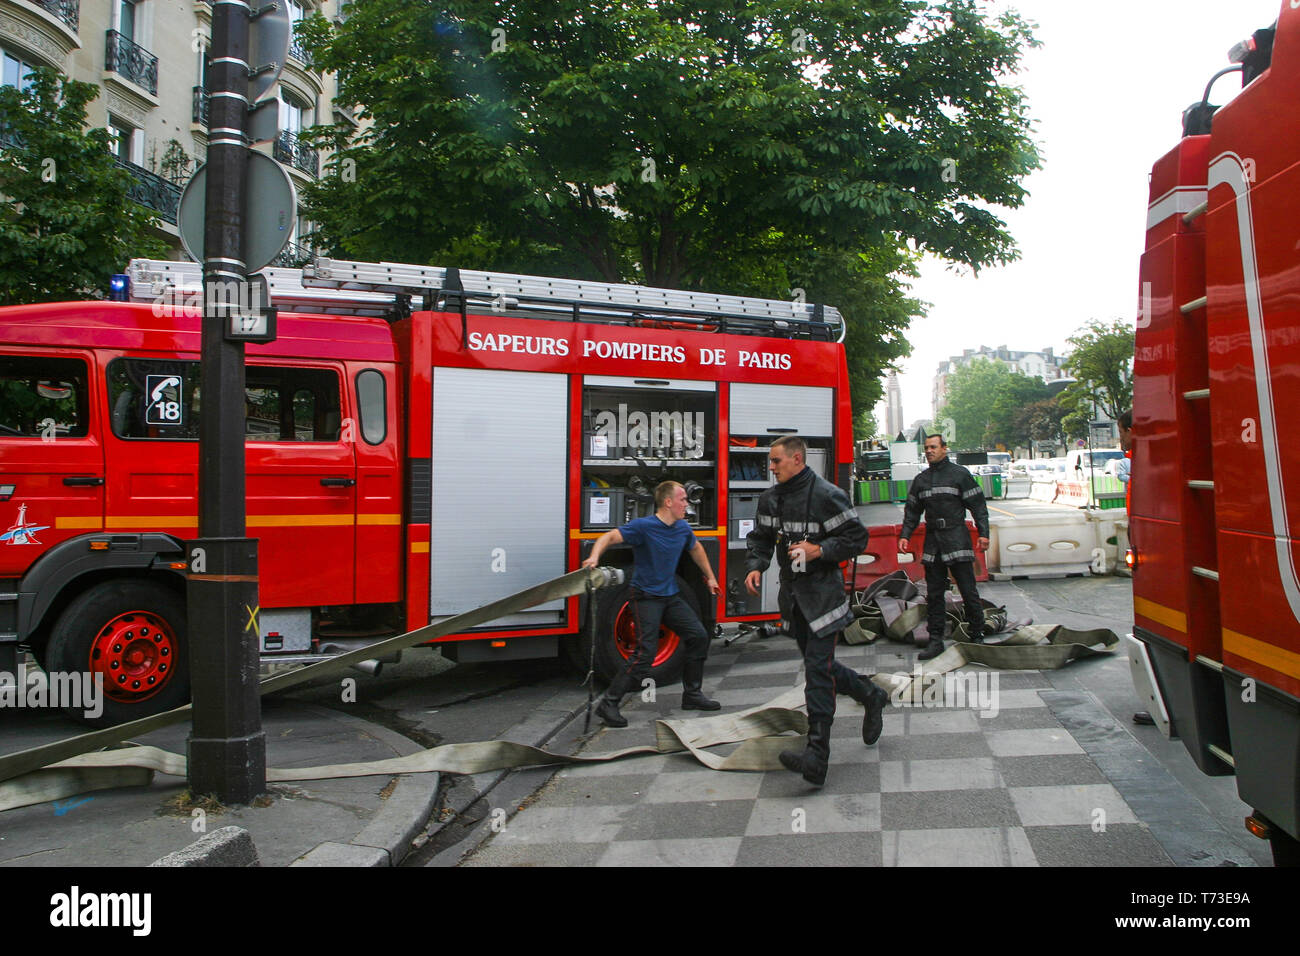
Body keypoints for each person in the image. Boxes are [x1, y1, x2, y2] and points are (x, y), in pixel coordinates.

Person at [744, 436, 888, 787]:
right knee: (821, 666)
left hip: (824, 599)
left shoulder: (827, 495)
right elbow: (761, 537)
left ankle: (817, 757)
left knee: (817, 674)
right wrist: (756, 565)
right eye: (770, 461)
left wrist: (819, 551)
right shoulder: (771, 498)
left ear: (797, 459)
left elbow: (857, 539)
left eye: (776, 461)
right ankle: (871, 695)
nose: (771, 467)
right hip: (794, 601)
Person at [583, 480, 721, 727]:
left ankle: (692, 695)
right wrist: (594, 556)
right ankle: (609, 703)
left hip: (670, 596)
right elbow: (610, 536)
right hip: (645, 596)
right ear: (668, 502)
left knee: (699, 636)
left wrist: (710, 577)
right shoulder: (643, 527)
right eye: (682, 499)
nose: (686, 504)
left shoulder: (682, 528)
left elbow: (697, 549)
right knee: (645, 653)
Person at [899, 434, 990, 661]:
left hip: (957, 539)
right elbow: (912, 511)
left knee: (968, 590)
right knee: (935, 594)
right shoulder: (921, 480)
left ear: (944, 449)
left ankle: (977, 633)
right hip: (933, 543)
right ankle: (935, 640)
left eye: (933, 447)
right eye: (927, 447)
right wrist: (905, 536)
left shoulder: (960, 475)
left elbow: (978, 506)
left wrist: (984, 534)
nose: (929, 451)